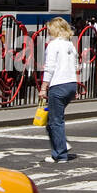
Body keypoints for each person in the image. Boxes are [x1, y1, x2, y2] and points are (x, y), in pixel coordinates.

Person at [38, 18, 79, 163]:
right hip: (71, 84)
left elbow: (49, 67)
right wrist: (75, 87)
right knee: (53, 120)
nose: (48, 32)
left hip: (58, 85)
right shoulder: (70, 45)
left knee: (55, 121)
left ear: (55, 29)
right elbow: (75, 66)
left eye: (49, 30)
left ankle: (60, 154)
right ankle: (62, 144)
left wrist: (44, 88)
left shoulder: (53, 45)